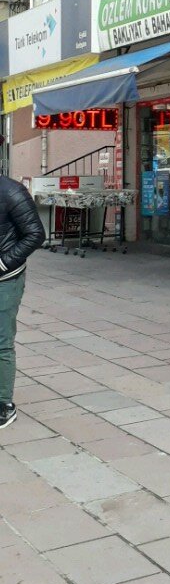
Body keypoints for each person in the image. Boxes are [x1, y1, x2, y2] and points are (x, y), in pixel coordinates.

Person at [0, 175, 45, 429]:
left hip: (5, 280)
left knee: (1, 341)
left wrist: (3, 263)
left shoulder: (11, 191)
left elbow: (36, 234)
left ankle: (4, 404)